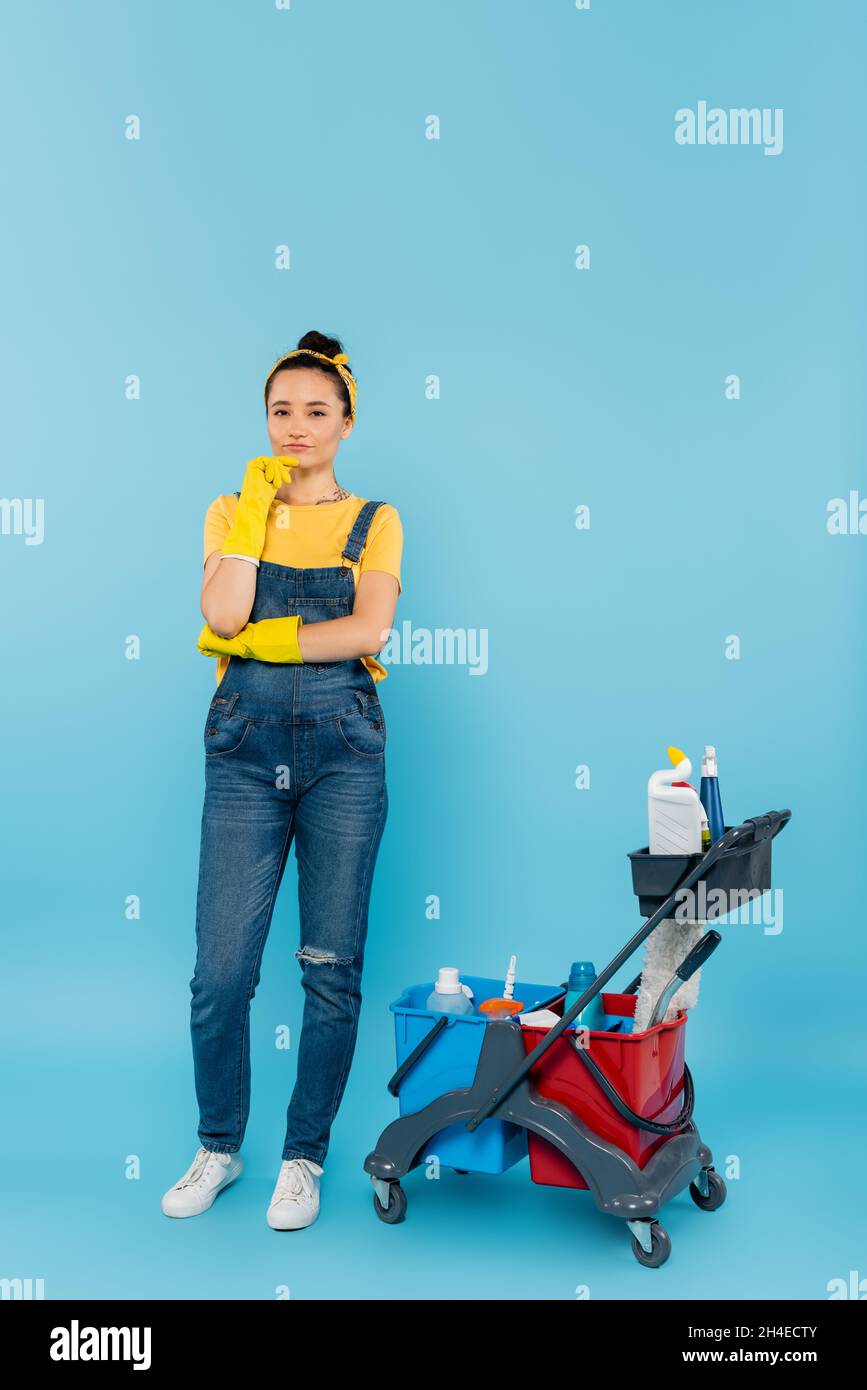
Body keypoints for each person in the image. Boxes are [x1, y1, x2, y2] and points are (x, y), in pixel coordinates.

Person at [161, 330, 402, 1230]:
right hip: (243, 750)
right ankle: (219, 1145)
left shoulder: (376, 519)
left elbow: (367, 633)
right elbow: (220, 608)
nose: (295, 429)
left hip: (344, 749)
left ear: (345, 422)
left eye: (315, 412)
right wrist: (259, 513)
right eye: (280, 412)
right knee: (219, 974)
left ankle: (302, 1158)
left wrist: (260, 641)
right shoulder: (233, 506)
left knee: (330, 970)